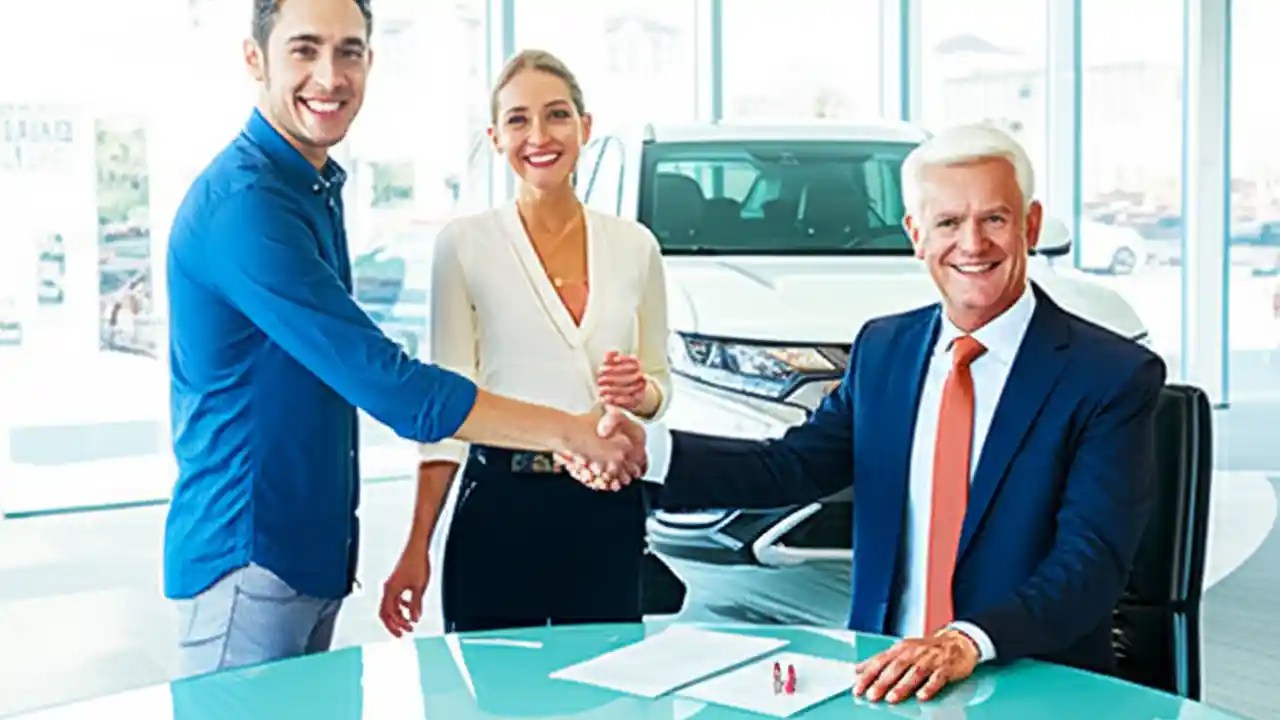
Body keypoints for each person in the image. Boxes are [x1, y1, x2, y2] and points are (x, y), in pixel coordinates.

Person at [567, 123, 1167, 704]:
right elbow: (793, 466)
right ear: (916, 235)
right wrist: (651, 450)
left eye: (994, 219)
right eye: (949, 222)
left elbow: (1090, 563)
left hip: (1031, 682)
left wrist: (967, 642)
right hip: (881, 681)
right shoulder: (884, 350)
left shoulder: (1108, 375)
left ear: (1030, 225)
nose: (972, 244)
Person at [163, 1, 643, 678]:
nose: (329, 76)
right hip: (249, 554)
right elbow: (392, 385)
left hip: (308, 554)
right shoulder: (247, 205)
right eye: (303, 50)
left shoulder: (310, 187)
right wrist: (571, 431)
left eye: (349, 51)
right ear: (254, 59)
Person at [377, 49, 673, 636]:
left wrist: (640, 394)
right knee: (498, 695)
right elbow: (449, 409)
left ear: (585, 127)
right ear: (495, 136)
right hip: (498, 507)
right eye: (517, 120)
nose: (539, 135)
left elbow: (660, 388)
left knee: (605, 691)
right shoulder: (463, 244)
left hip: (605, 508)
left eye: (557, 115)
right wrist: (417, 545)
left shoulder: (635, 245)